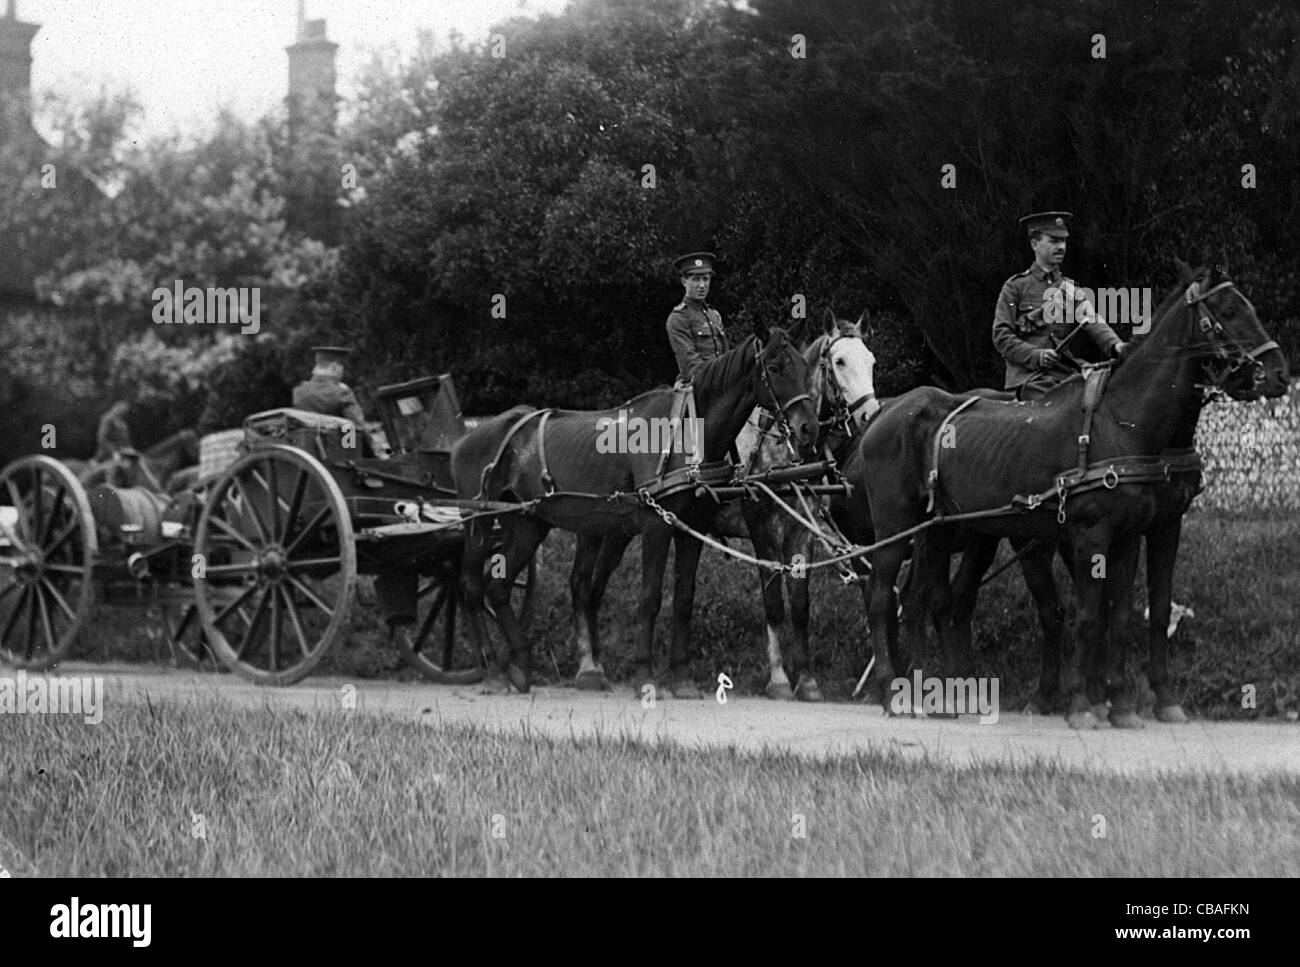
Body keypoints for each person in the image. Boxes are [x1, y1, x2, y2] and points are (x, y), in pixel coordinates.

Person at [992, 212, 1126, 401]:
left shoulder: (1070, 288)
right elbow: (1001, 336)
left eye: (1063, 241)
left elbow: (1093, 322)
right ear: (1034, 244)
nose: (1061, 247)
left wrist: (1116, 345)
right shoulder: (1015, 287)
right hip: (1030, 379)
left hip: (1065, 374)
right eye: (1054, 241)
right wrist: (1036, 355)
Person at [292, 345, 389, 457]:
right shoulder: (341, 392)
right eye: (342, 367)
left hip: (307, 454)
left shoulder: (298, 392)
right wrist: (376, 453)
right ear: (334, 367)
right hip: (341, 456)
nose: (342, 372)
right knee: (350, 429)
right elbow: (357, 427)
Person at [666, 252, 729, 384]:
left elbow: (726, 356)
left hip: (723, 386)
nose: (701, 285)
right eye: (695, 279)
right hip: (698, 386)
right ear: (684, 282)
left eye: (705, 279)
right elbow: (690, 365)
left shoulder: (714, 315)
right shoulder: (679, 318)